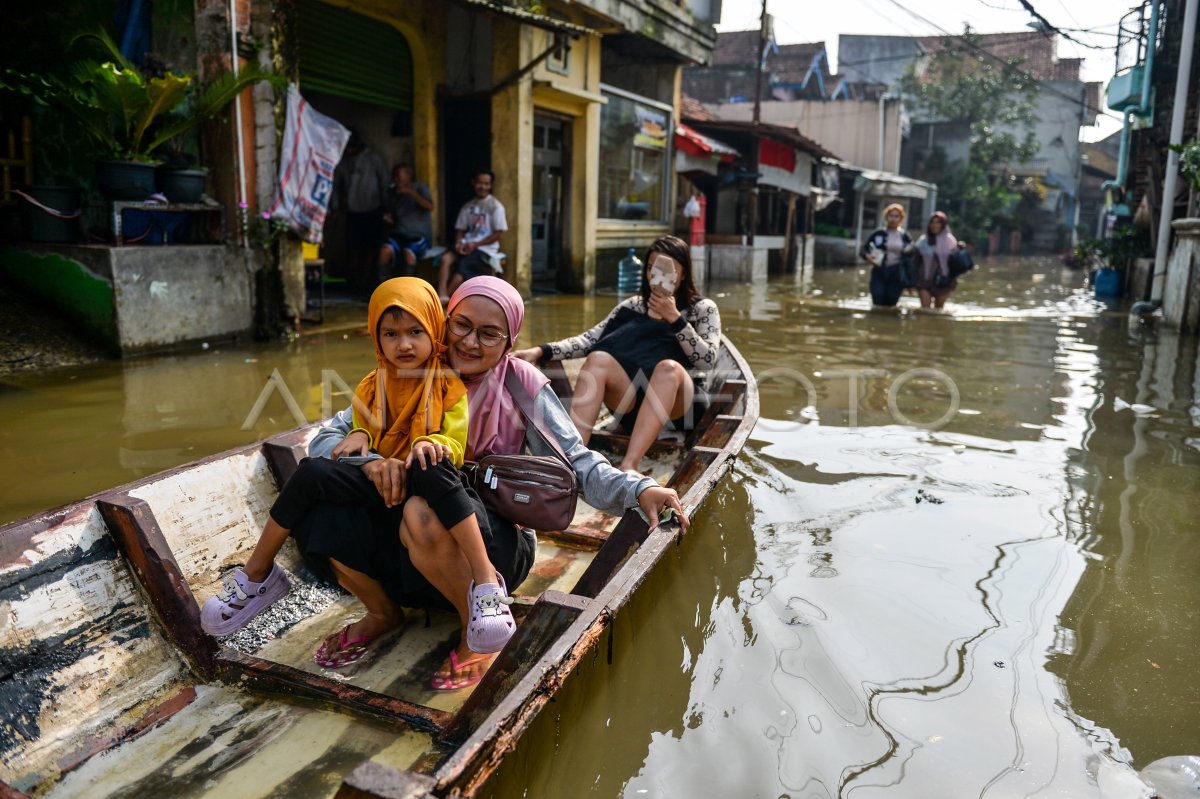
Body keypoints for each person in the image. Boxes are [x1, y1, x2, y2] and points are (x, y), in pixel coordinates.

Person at [200, 277, 517, 665]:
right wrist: (362, 444)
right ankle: (258, 574)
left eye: (416, 332)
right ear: (375, 337)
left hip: (432, 489)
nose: (403, 344)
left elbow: (455, 441)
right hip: (385, 492)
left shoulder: (449, 385)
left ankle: (486, 585)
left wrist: (431, 444)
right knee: (312, 473)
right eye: (391, 334)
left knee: (430, 466)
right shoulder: (373, 384)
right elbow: (361, 426)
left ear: (433, 330)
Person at [512, 235, 721, 475]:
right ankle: (572, 458)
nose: (657, 275)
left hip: (681, 407)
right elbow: (589, 340)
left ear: (683, 274)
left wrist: (675, 318)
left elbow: (707, 361)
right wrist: (541, 350)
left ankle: (629, 465)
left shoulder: (702, 309)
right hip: (634, 404)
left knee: (669, 368)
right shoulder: (632, 306)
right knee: (598, 358)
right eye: (651, 268)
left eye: (667, 269)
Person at [332, 131, 390, 293]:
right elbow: (336, 185)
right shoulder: (343, 162)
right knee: (353, 249)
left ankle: (366, 283)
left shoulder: (373, 158)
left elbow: (384, 183)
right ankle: (355, 283)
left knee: (370, 249)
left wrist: (387, 208)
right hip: (352, 212)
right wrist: (335, 206)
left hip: (373, 210)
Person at [437, 171, 507, 302]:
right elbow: (460, 229)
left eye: (486, 184)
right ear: (474, 183)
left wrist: (475, 245)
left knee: (461, 272)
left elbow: (498, 235)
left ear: (490, 185)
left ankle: (447, 303)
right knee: (445, 259)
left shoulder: (496, 207)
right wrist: (458, 243)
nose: (482, 187)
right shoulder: (468, 206)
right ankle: (441, 295)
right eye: (480, 183)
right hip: (465, 245)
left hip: (484, 249)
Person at [380, 164, 434, 275]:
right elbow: (393, 217)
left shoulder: (419, 188)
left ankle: (408, 289)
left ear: (409, 176)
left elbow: (430, 207)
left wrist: (410, 192)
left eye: (398, 176)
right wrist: (388, 219)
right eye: (394, 176)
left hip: (418, 236)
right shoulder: (392, 193)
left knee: (408, 253)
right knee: (385, 251)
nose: (395, 179)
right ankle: (384, 287)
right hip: (399, 235)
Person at [859, 202, 913, 307]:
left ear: (901, 219)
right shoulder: (878, 233)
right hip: (879, 270)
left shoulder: (904, 235)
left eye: (896, 216)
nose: (893, 219)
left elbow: (912, 251)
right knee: (878, 297)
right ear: (886, 217)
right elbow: (863, 249)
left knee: (891, 299)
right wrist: (867, 257)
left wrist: (909, 250)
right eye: (891, 216)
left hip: (897, 272)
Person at [913, 211, 965, 310]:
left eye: (938, 222)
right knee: (925, 310)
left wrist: (960, 249)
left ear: (943, 225)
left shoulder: (950, 241)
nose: (934, 225)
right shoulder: (923, 241)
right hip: (924, 280)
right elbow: (915, 261)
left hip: (943, 281)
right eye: (932, 222)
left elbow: (955, 263)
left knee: (938, 310)